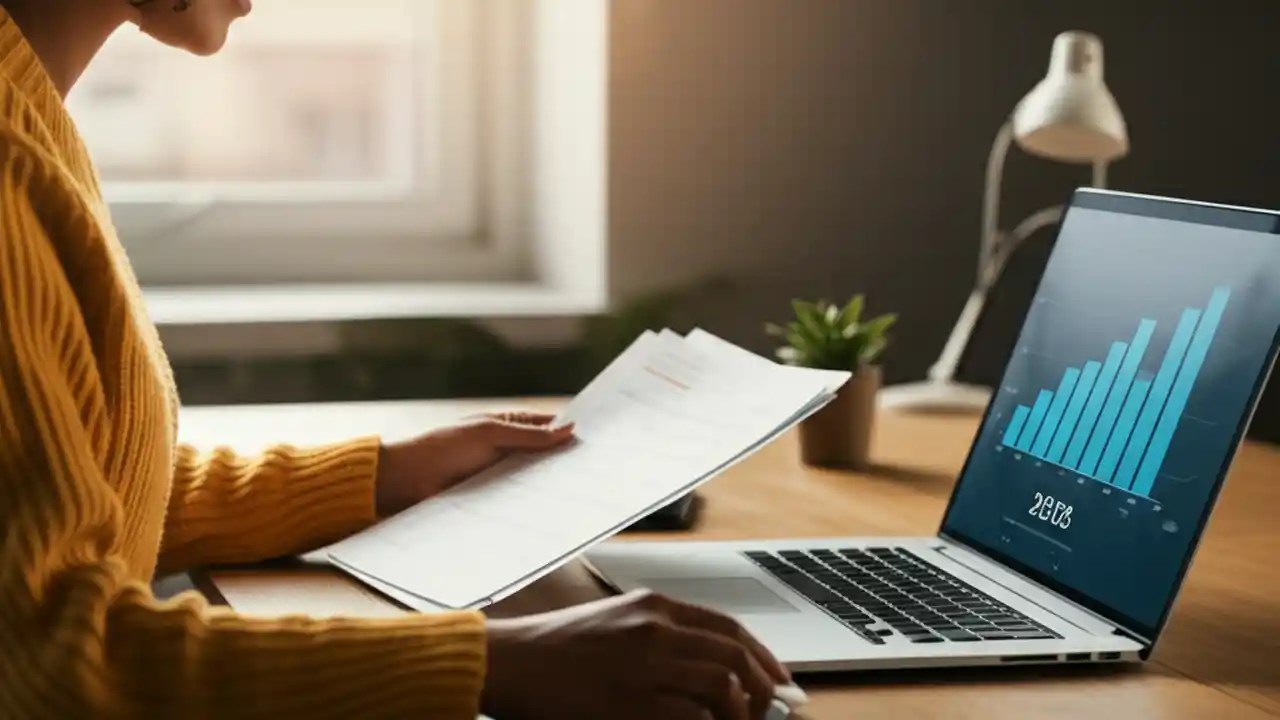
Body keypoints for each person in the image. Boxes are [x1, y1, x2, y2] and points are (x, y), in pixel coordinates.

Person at [0, 1, 794, 718]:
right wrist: (496, 660)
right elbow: (51, 660)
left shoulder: (29, 107)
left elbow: (84, 498)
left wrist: (380, 475)